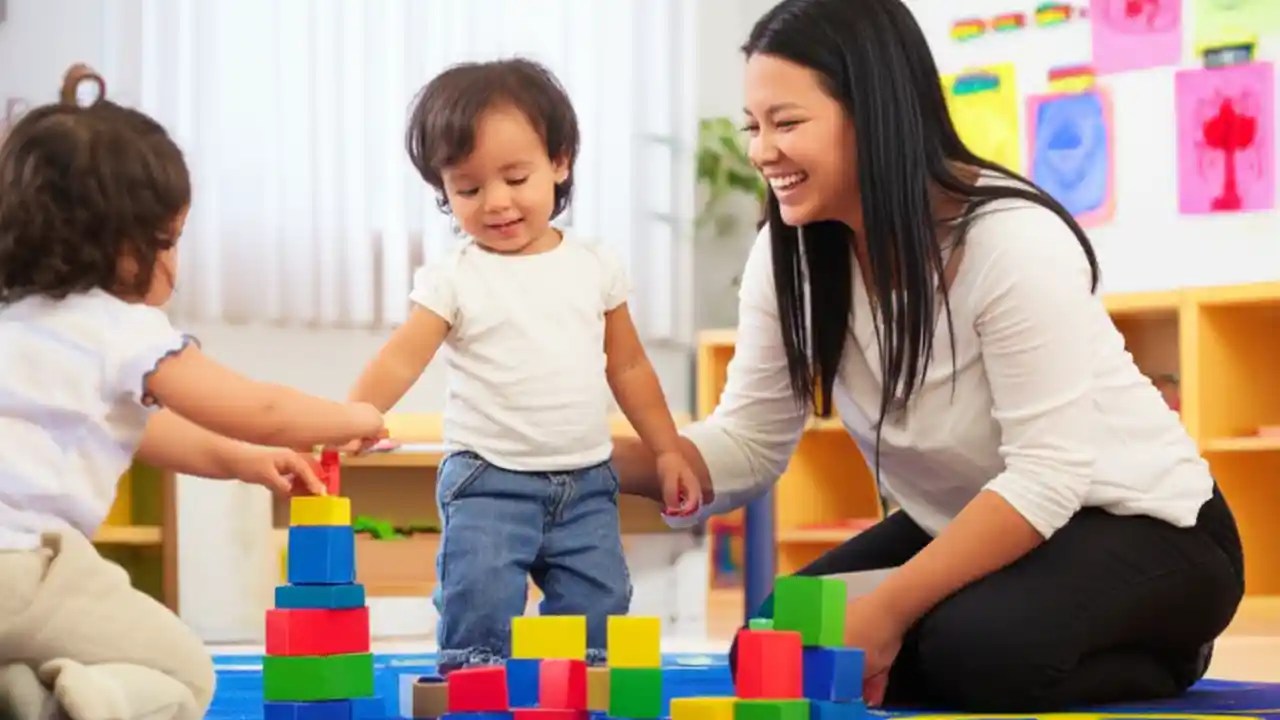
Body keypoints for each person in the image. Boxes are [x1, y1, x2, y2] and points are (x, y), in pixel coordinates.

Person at [612, 0, 1244, 712]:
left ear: (875, 112)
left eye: (786, 124)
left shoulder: (1011, 242)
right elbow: (749, 443)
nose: (762, 151)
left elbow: (1046, 476)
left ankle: (1166, 651)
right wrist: (591, 464)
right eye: (753, 127)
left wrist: (888, 613)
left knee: (974, 650)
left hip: (1146, 528)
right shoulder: (787, 254)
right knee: (767, 643)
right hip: (978, 519)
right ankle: (991, 635)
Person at [0, 65, 387, 720]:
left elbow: (140, 428)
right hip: (22, 565)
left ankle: (20, 689)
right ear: (114, 245)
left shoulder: (20, 323)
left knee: (49, 648)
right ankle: (67, 703)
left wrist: (239, 462)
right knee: (183, 672)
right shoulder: (123, 330)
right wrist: (350, 414)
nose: (175, 264)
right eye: (165, 242)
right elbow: (257, 407)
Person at [345, 57, 702, 673]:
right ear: (443, 189)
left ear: (559, 162)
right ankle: (476, 682)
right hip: (487, 478)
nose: (497, 203)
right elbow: (404, 354)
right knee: (479, 603)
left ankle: (574, 687)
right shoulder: (456, 275)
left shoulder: (594, 265)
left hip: (586, 480)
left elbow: (631, 368)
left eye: (516, 177)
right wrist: (352, 415)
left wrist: (667, 449)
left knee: (598, 608)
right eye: (469, 188)